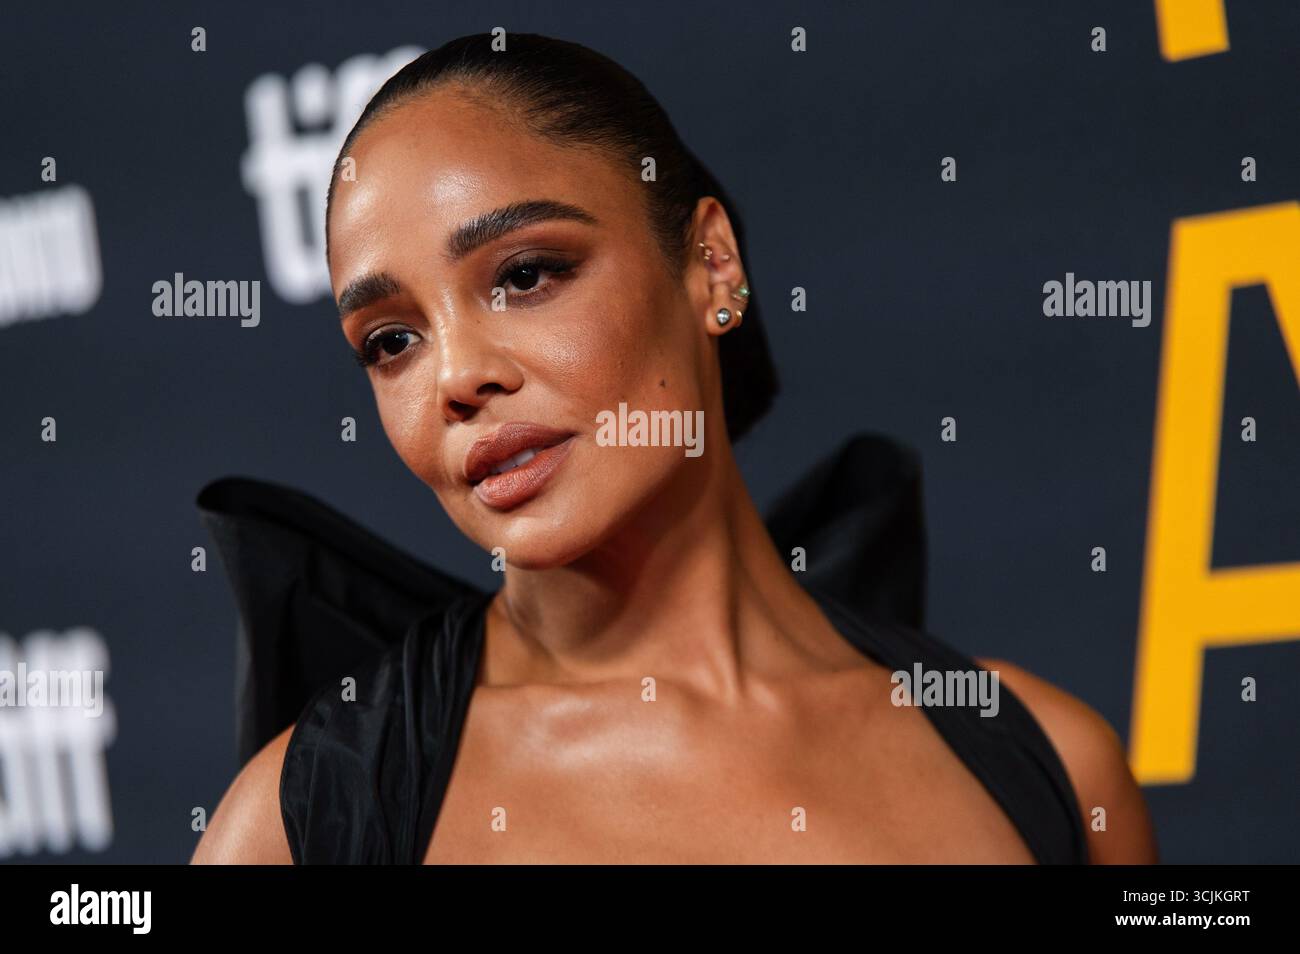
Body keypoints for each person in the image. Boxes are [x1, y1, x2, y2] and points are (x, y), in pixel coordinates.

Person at [191, 32, 1157, 864]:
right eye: (392, 341)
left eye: (525, 274)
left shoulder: (1054, 765)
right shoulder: (296, 829)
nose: (455, 377)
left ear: (711, 265)